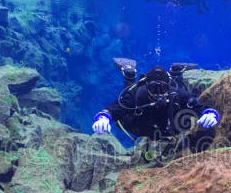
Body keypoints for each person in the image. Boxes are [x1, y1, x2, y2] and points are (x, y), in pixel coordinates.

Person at [91, 60, 219, 143]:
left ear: (168, 86)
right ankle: (129, 75)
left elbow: (197, 104)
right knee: (126, 110)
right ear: (146, 86)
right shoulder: (138, 94)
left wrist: (210, 113)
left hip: (169, 127)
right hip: (140, 126)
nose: (158, 93)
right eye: (153, 88)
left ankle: (176, 74)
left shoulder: (175, 93)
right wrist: (104, 117)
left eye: (163, 88)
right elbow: (117, 107)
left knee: (181, 99)